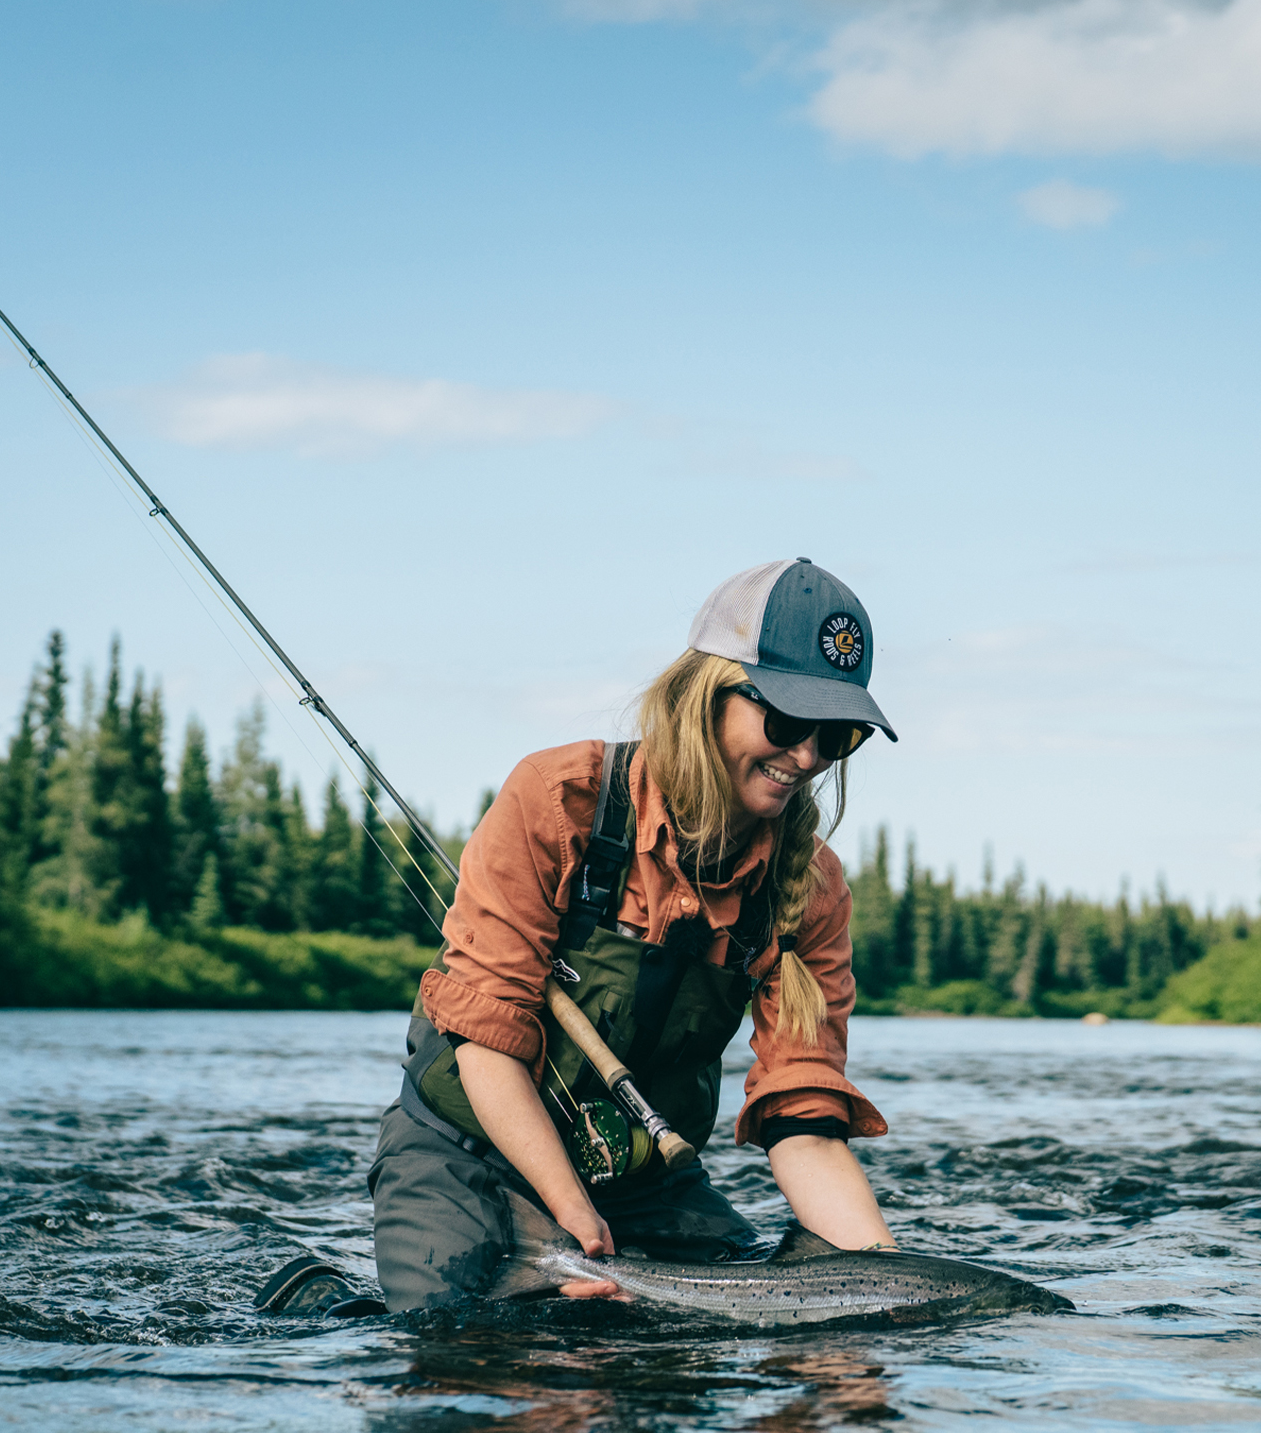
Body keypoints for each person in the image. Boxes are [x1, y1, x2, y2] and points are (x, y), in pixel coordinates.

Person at [258, 558, 898, 1317]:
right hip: (469, 1151)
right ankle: (324, 1304)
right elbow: (488, 1047)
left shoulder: (811, 889)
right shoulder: (561, 800)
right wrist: (574, 1226)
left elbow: (806, 1128)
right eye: (789, 723)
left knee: (703, 1340)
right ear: (704, 696)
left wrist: (885, 1282)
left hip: (640, 1176)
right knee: (469, 1338)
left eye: (838, 736)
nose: (808, 757)